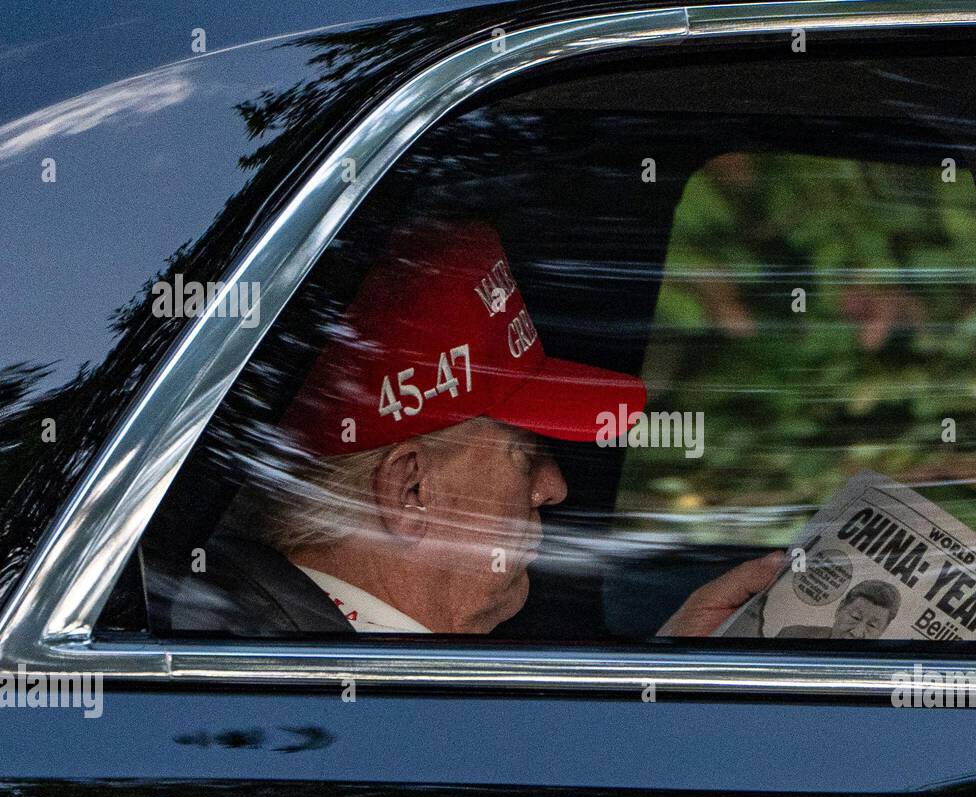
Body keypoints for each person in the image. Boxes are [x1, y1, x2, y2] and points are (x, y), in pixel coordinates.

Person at [151, 221, 780, 636]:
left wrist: (666, 672)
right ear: (410, 491)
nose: (554, 487)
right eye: (525, 452)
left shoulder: (302, 655)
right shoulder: (307, 689)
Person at [775, 579, 901, 640]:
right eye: (855, 617)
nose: (857, 632)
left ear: (883, 631)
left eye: (872, 626)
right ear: (839, 609)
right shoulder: (792, 636)